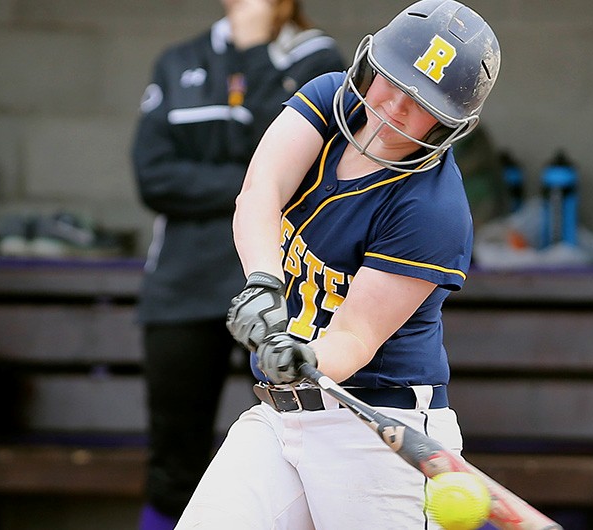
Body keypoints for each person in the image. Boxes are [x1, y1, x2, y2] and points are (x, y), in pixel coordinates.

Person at [176, 0, 501, 527]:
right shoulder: (333, 99)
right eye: (391, 80)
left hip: (378, 429)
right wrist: (263, 284)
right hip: (280, 418)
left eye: (420, 103)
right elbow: (261, 191)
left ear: (448, 123)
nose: (392, 106)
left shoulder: (433, 209)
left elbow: (352, 342)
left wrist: (303, 358)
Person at [130, 1, 344, 528]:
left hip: (282, 286)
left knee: (308, 457)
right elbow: (153, 177)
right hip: (183, 286)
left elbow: (291, 167)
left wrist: (252, 53)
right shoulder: (178, 61)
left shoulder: (318, 60)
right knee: (173, 462)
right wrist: (253, 185)